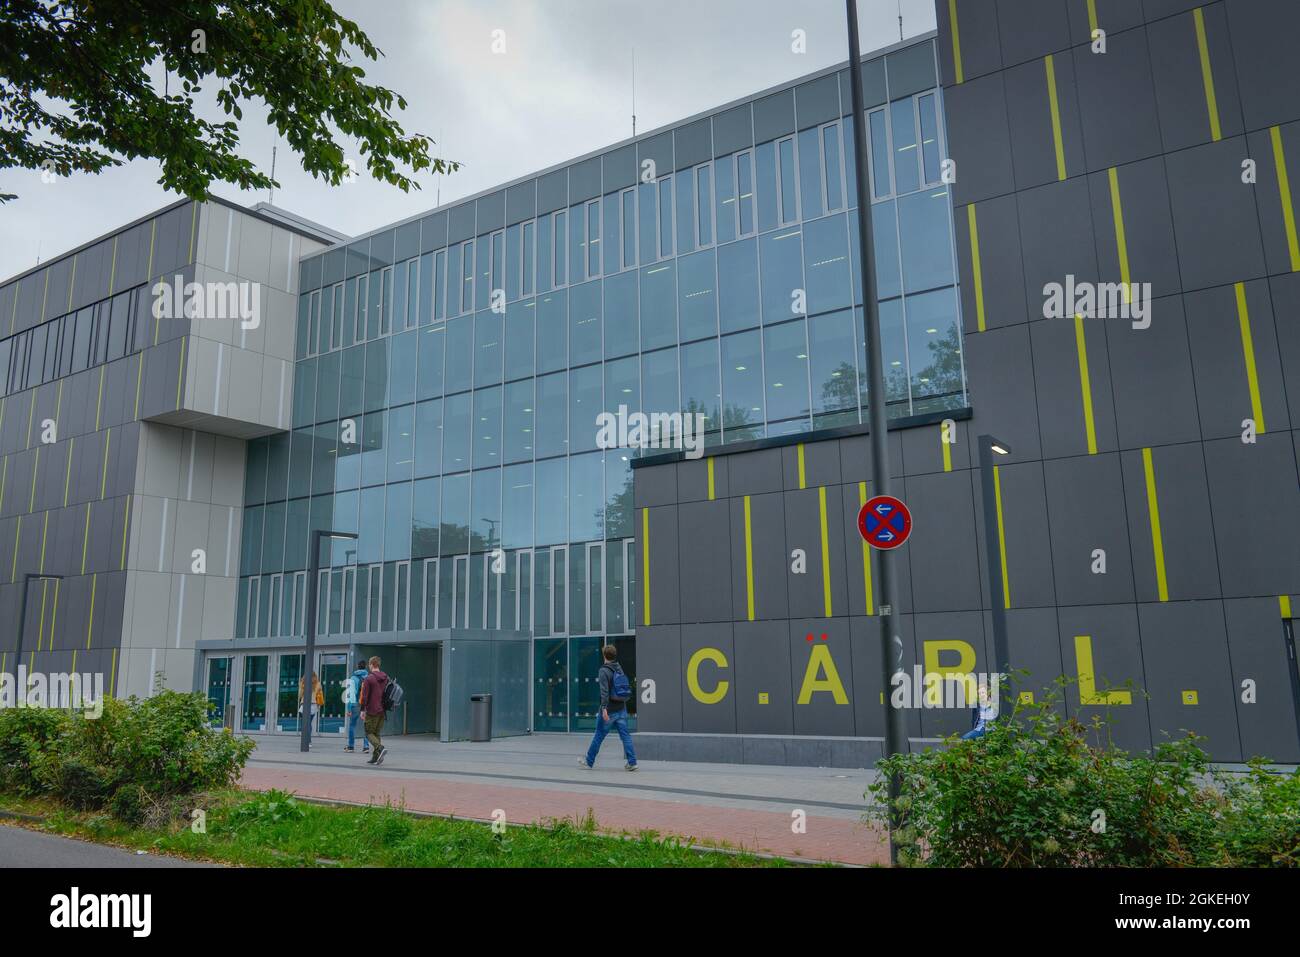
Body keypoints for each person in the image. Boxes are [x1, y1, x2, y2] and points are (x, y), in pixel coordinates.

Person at [580, 644, 637, 771]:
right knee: (625, 736)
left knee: (599, 735)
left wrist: (604, 709)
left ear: (604, 655)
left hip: (610, 710)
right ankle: (632, 762)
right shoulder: (619, 668)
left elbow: (604, 692)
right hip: (622, 708)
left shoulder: (603, 670)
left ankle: (589, 762)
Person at [358, 656, 389, 765]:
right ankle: (376, 757)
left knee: (369, 732)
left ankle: (379, 748)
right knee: (376, 733)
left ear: (371, 665)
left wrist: (362, 710)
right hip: (382, 710)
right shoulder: (386, 677)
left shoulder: (369, 678)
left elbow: (364, 696)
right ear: (378, 665)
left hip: (372, 710)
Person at [343, 660, 370, 754]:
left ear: (357, 666)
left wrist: (349, 708)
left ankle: (351, 746)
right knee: (366, 725)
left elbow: (350, 694)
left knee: (352, 725)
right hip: (366, 705)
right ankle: (366, 747)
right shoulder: (369, 677)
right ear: (366, 666)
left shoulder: (353, 678)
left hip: (355, 704)